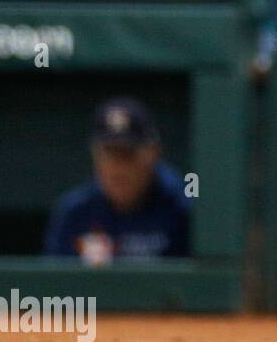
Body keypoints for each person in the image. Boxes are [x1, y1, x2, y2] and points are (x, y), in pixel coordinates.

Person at [43, 98, 191, 264]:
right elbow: (54, 285)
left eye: (127, 154)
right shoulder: (75, 212)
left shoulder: (183, 208)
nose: (118, 168)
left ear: (153, 153)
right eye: (109, 154)